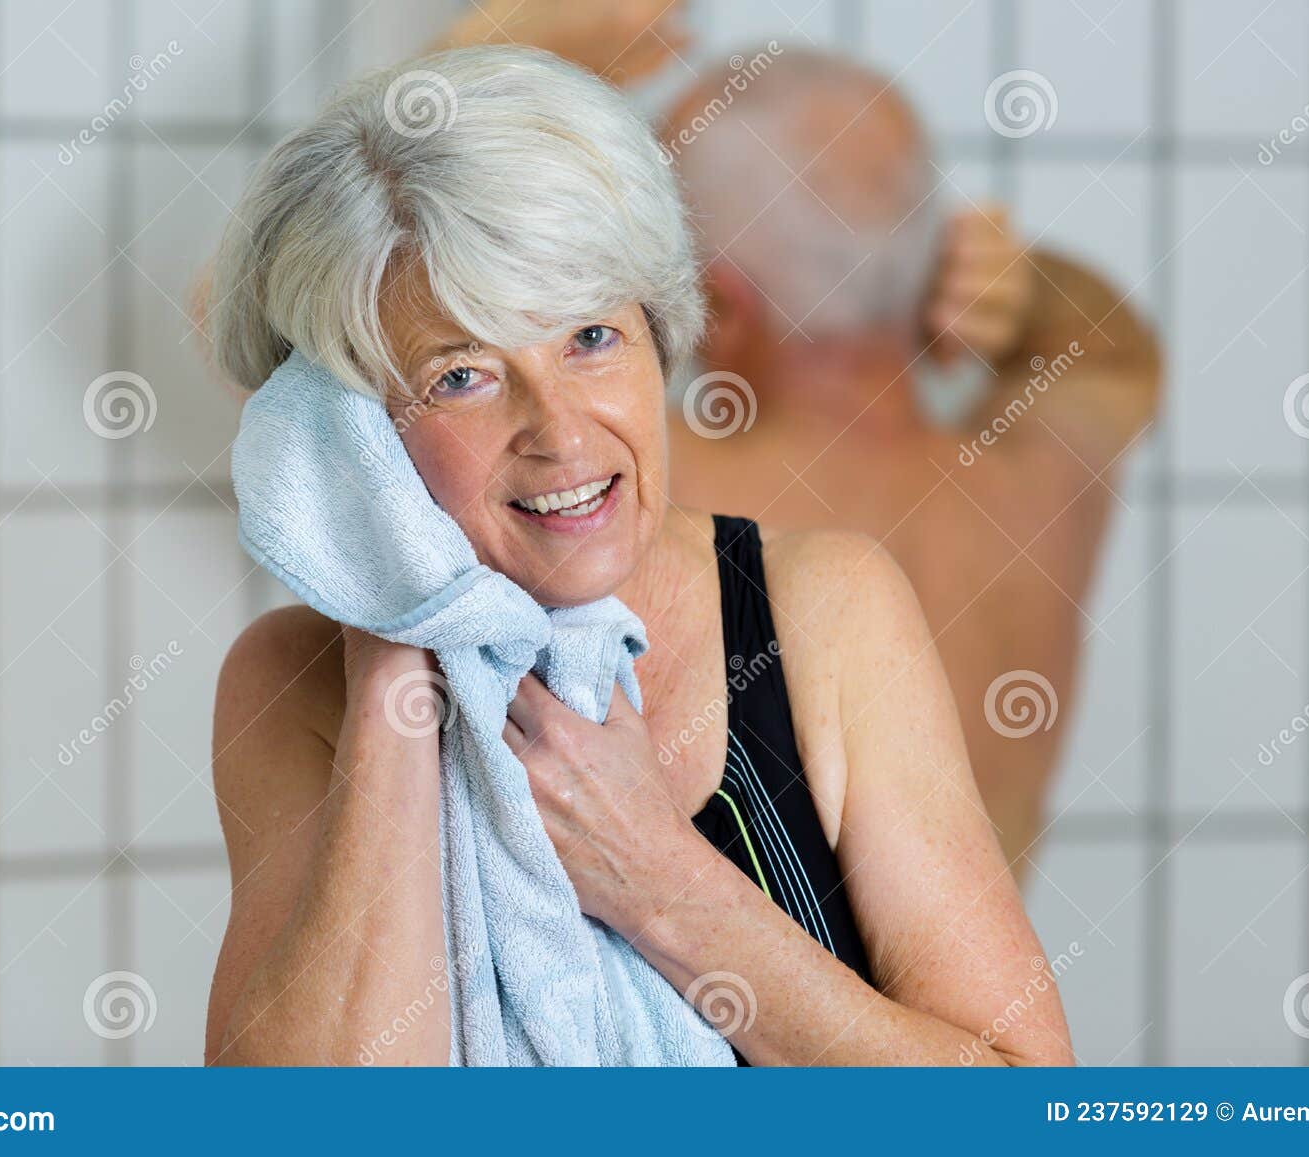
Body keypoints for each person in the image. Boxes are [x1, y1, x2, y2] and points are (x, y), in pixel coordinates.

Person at [200, 46, 1070, 1067]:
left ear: (665, 333)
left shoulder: (819, 611)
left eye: (590, 338)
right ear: (347, 429)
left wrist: (658, 879)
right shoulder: (291, 688)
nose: (562, 436)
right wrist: (399, 637)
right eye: (464, 373)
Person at [662, 50, 1163, 875]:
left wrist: (490, 44)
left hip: (733, 1007)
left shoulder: (652, 486)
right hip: (979, 1008)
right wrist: (1027, 291)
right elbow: (1118, 356)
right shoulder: (1030, 487)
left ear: (719, 307)